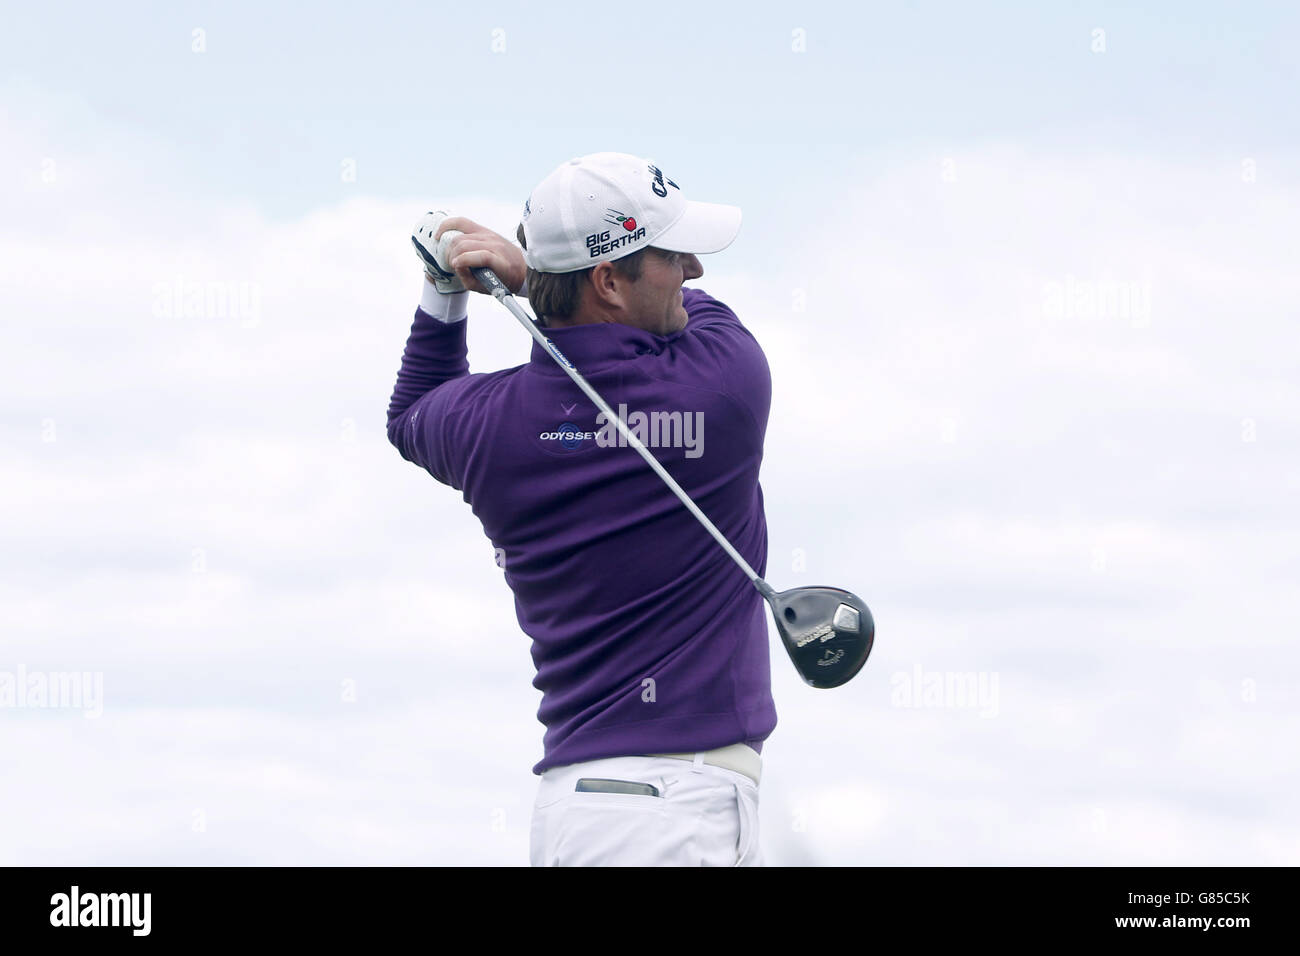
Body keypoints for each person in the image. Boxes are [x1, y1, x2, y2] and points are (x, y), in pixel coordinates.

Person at [386, 152, 775, 866]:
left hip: (583, 810)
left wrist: (447, 288)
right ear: (608, 281)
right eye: (670, 254)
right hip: (667, 814)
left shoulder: (487, 424)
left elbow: (411, 411)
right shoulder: (724, 388)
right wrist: (530, 278)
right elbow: (694, 318)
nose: (693, 270)